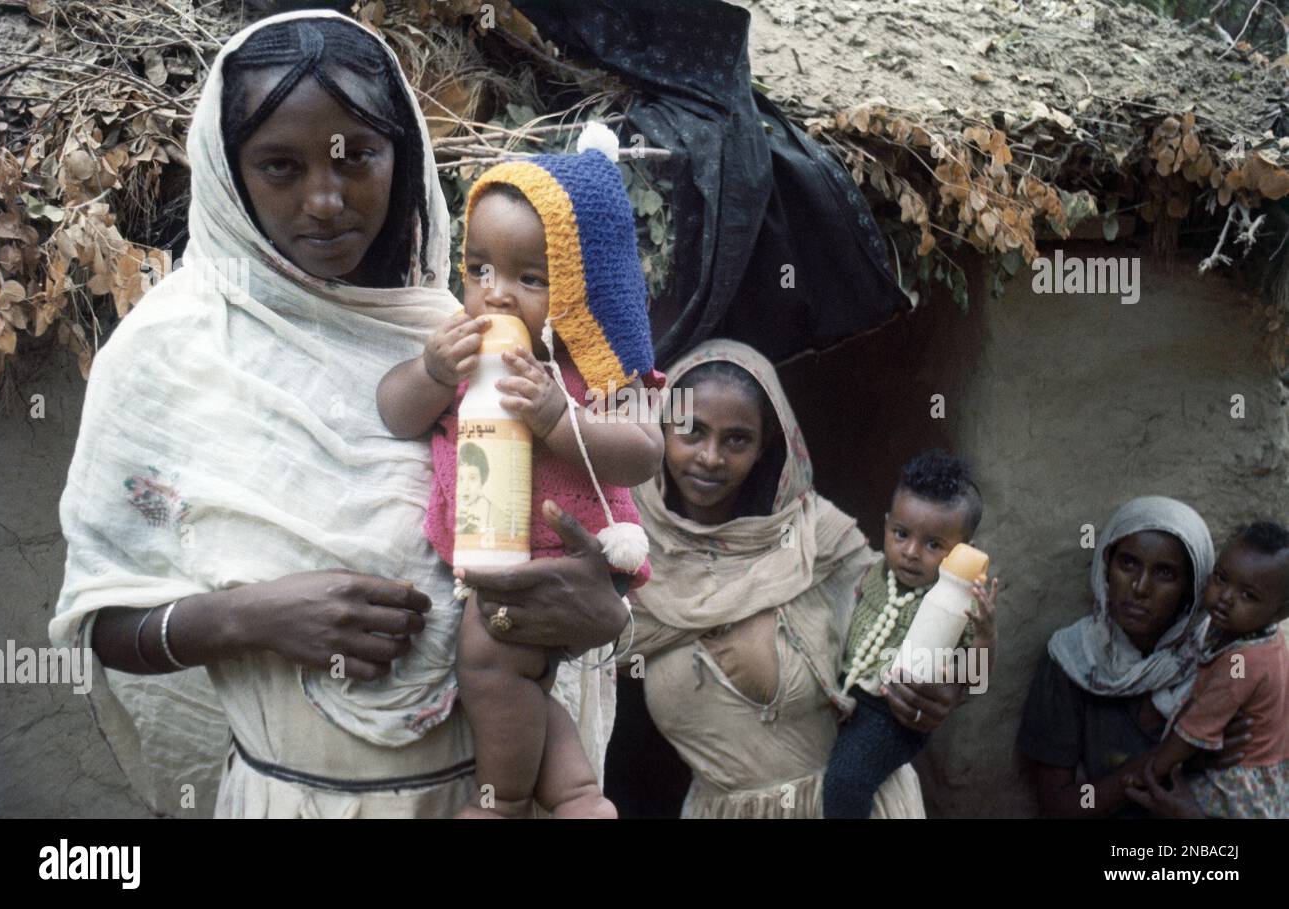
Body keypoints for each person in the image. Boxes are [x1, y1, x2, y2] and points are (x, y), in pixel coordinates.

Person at [47, 9, 629, 819]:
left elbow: (590, 521)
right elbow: (105, 620)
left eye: (357, 157)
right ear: (229, 171)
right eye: (279, 166)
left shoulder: (465, 341)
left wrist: (605, 611)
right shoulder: (167, 356)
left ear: (406, 157)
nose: (324, 200)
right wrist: (251, 616)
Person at [377, 142, 664, 818]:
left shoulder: (590, 368)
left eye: (530, 278)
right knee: (524, 677)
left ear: (579, 285)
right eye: (480, 269)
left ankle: (500, 799)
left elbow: (644, 450)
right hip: (497, 549)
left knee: (486, 656)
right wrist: (430, 373)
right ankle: (577, 795)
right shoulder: (464, 345)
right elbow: (395, 413)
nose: (497, 292)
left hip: (565, 562)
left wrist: (559, 420)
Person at [619, 339, 966, 818]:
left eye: (736, 439)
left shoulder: (815, 541)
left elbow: (906, 618)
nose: (710, 457)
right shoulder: (629, 553)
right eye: (690, 431)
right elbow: (573, 653)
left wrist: (950, 685)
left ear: (765, 447)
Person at [1016, 495, 1249, 818]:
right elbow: (1061, 806)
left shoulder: (1223, 660)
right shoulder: (1074, 658)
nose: (1140, 587)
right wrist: (1173, 756)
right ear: (1106, 567)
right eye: (1128, 563)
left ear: (1191, 588)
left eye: (1165, 573)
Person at [823, 450, 999, 819]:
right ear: (886, 524)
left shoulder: (955, 604)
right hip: (846, 692)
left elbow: (976, 681)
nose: (911, 552)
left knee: (846, 780)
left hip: (893, 715)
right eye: (901, 534)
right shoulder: (870, 570)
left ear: (964, 551)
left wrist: (984, 633)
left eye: (934, 544)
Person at [1126, 522, 1289, 818]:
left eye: (1248, 595)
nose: (1226, 597)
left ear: (1281, 612)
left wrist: (1150, 773)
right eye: (1221, 578)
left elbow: (1194, 730)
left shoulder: (1243, 663)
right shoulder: (1252, 636)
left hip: (1238, 785)